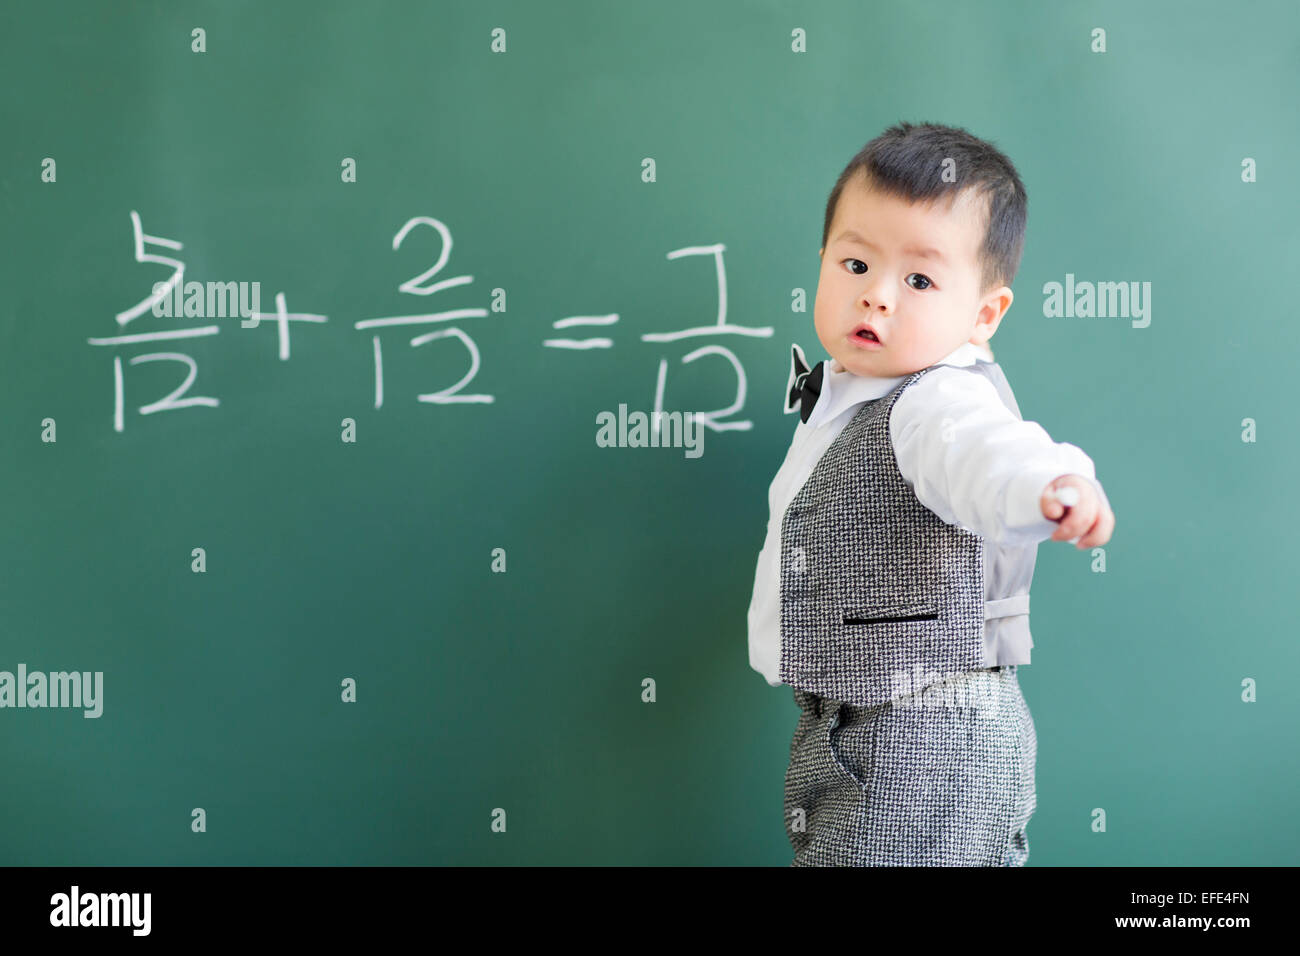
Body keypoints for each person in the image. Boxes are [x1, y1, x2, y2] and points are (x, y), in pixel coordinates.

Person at [746, 121, 1116, 866]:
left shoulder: (934, 402)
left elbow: (985, 453)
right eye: (855, 264)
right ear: (822, 264)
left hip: (922, 731)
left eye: (918, 280)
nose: (877, 297)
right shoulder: (858, 396)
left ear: (983, 315)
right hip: (870, 724)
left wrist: (1049, 483)